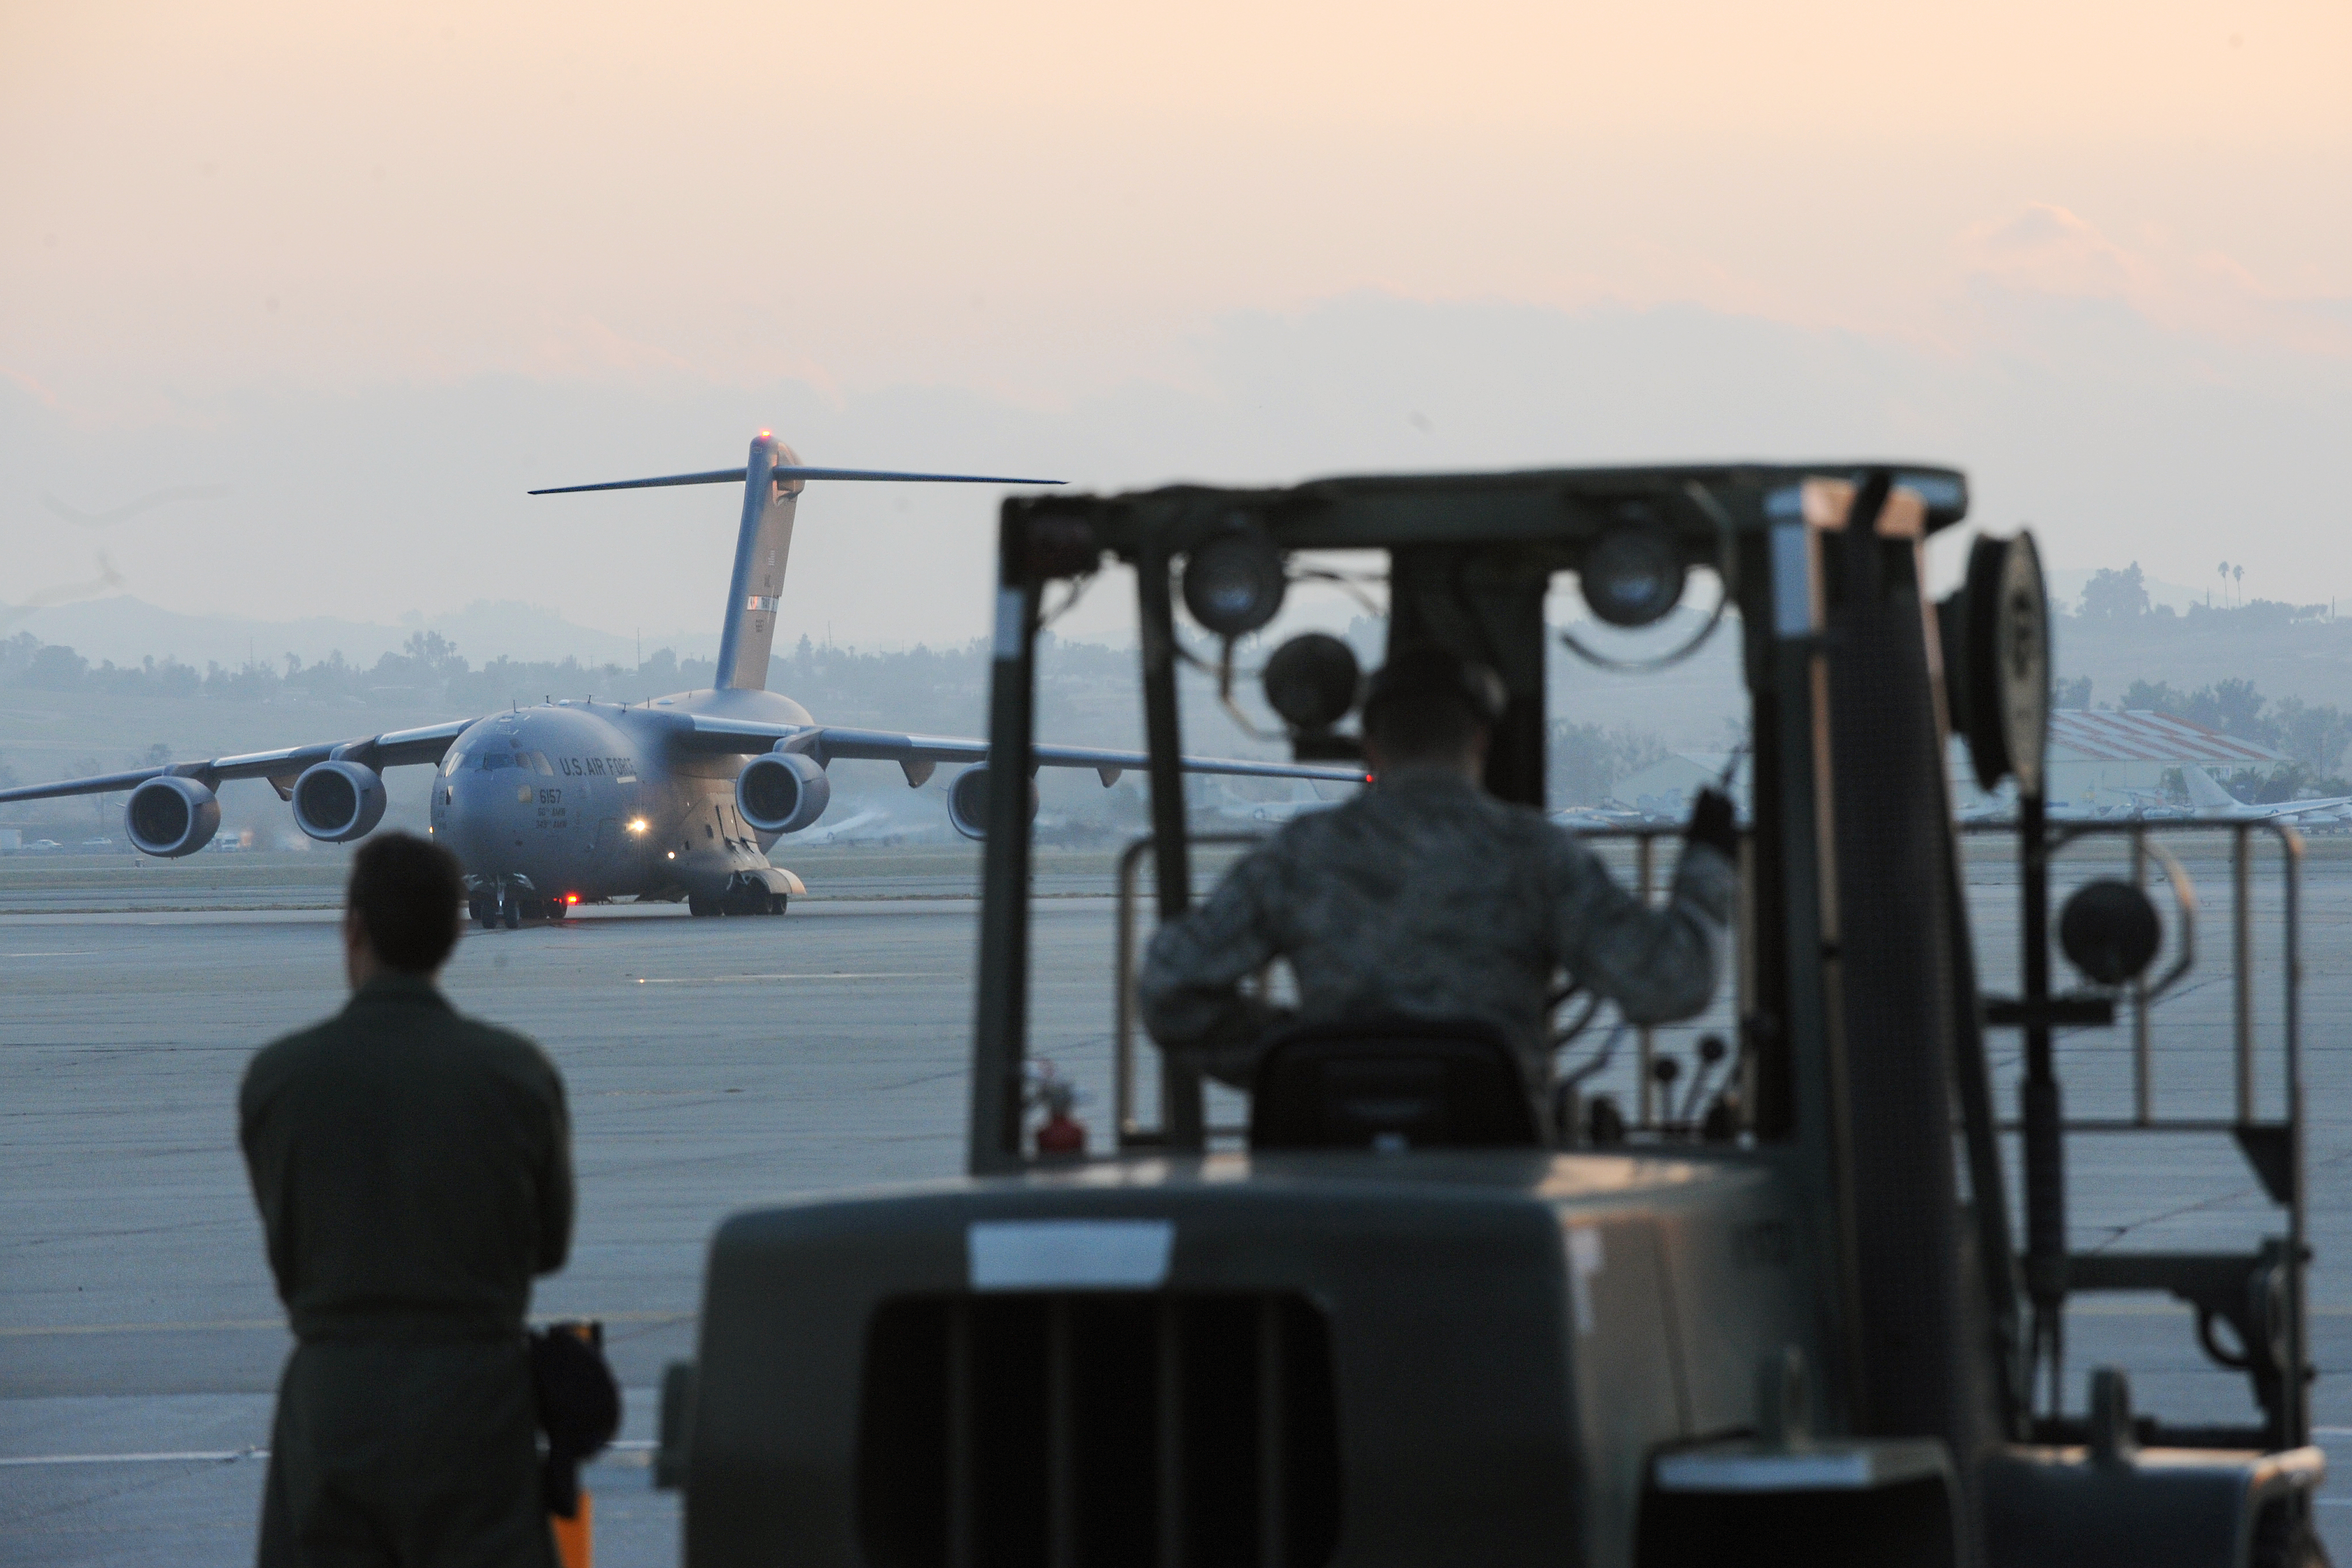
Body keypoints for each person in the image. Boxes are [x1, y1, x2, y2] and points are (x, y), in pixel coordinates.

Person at [1139, 645, 1737, 1091]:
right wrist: (1706, 866)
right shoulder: (1535, 852)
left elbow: (1169, 988)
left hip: (1335, 1154)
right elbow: (1671, 981)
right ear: (1479, 740)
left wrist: (1304, 1058)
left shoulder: (1300, 853)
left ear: (1371, 747)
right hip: (1496, 1160)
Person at [242, 833, 572, 1568]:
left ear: (353, 929)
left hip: (334, 1397)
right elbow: (550, 1246)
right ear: (454, 933)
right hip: (475, 1397)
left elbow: (285, 1245)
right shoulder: (515, 1072)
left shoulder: (280, 1078)